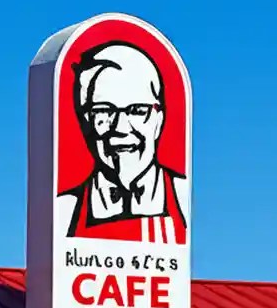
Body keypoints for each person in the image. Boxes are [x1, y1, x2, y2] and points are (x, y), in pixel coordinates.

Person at [56, 42, 189, 243]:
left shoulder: (183, 197)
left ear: (158, 121)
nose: (120, 127)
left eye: (137, 110)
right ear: (86, 122)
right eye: (104, 110)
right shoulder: (63, 212)